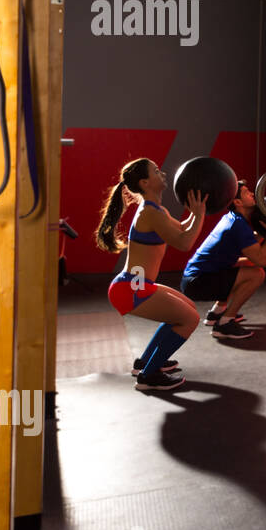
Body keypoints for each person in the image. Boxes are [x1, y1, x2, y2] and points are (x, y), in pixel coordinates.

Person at [95, 158, 206, 391]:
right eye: (155, 171)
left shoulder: (157, 211)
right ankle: (149, 376)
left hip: (135, 283)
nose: (162, 172)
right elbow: (185, 242)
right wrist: (200, 212)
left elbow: (183, 227)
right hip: (131, 287)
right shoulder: (149, 212)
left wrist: (195, 213)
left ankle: (144, 362)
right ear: (145, 183)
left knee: (186, 309)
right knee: (189, 319)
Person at [179, 179, 266, 340]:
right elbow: (262, 259)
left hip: (194, 278)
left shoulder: (233, 218)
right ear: (238, 202)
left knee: (246, 262)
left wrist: (265, 231)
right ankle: (225, 323)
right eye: (247, 192)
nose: (252, 194)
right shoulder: (238, 225)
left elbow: (251, 246)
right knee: (257, 273)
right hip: (198, 283)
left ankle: (216, 313)